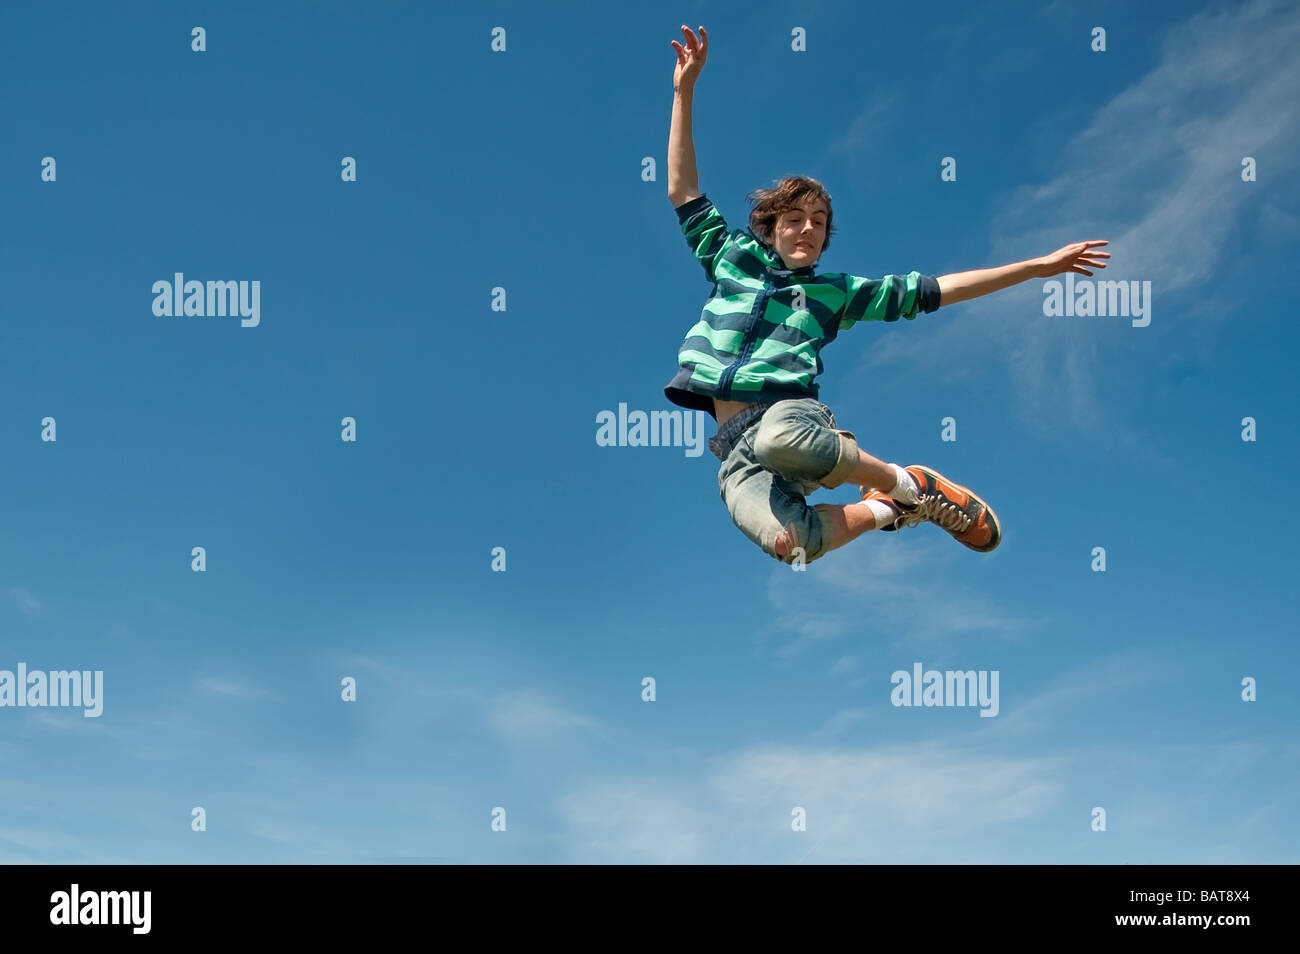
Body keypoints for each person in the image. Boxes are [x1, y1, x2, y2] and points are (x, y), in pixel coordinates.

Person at [664, 25, 1109, 565]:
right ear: (770, 226)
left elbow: (936, 290)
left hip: (787, 420)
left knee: (779, 438)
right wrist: (684, 92)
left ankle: (907, 482)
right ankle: (892, 507)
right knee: (794, 545)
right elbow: (683, 189)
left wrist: (1037, 267)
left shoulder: (837, 292)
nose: (808, 229)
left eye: (820, 222)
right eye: (796, 219)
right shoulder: (729, 256)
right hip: (734, 447)